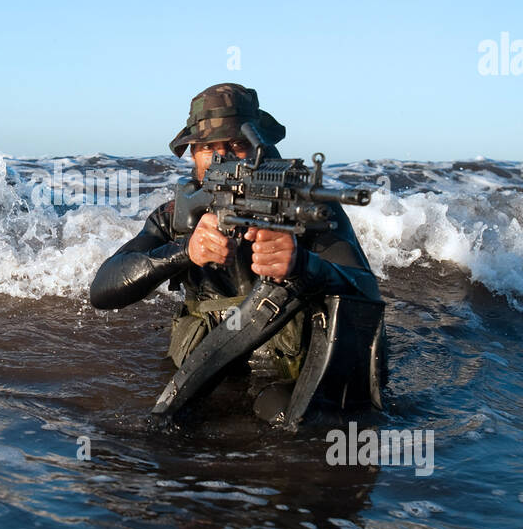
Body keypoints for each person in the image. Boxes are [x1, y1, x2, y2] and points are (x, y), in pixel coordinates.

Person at [89, 83, 385, 423]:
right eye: (207, 148)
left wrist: (304, 264)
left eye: (238, 145)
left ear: (262, 146)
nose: (223, 158)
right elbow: (103, 290)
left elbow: (366, 292)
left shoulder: (306, 209)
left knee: (289, 422)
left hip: (287, 372)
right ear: (192, 155)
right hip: (205, 367)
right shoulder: (175, 216)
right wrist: (185, 251)